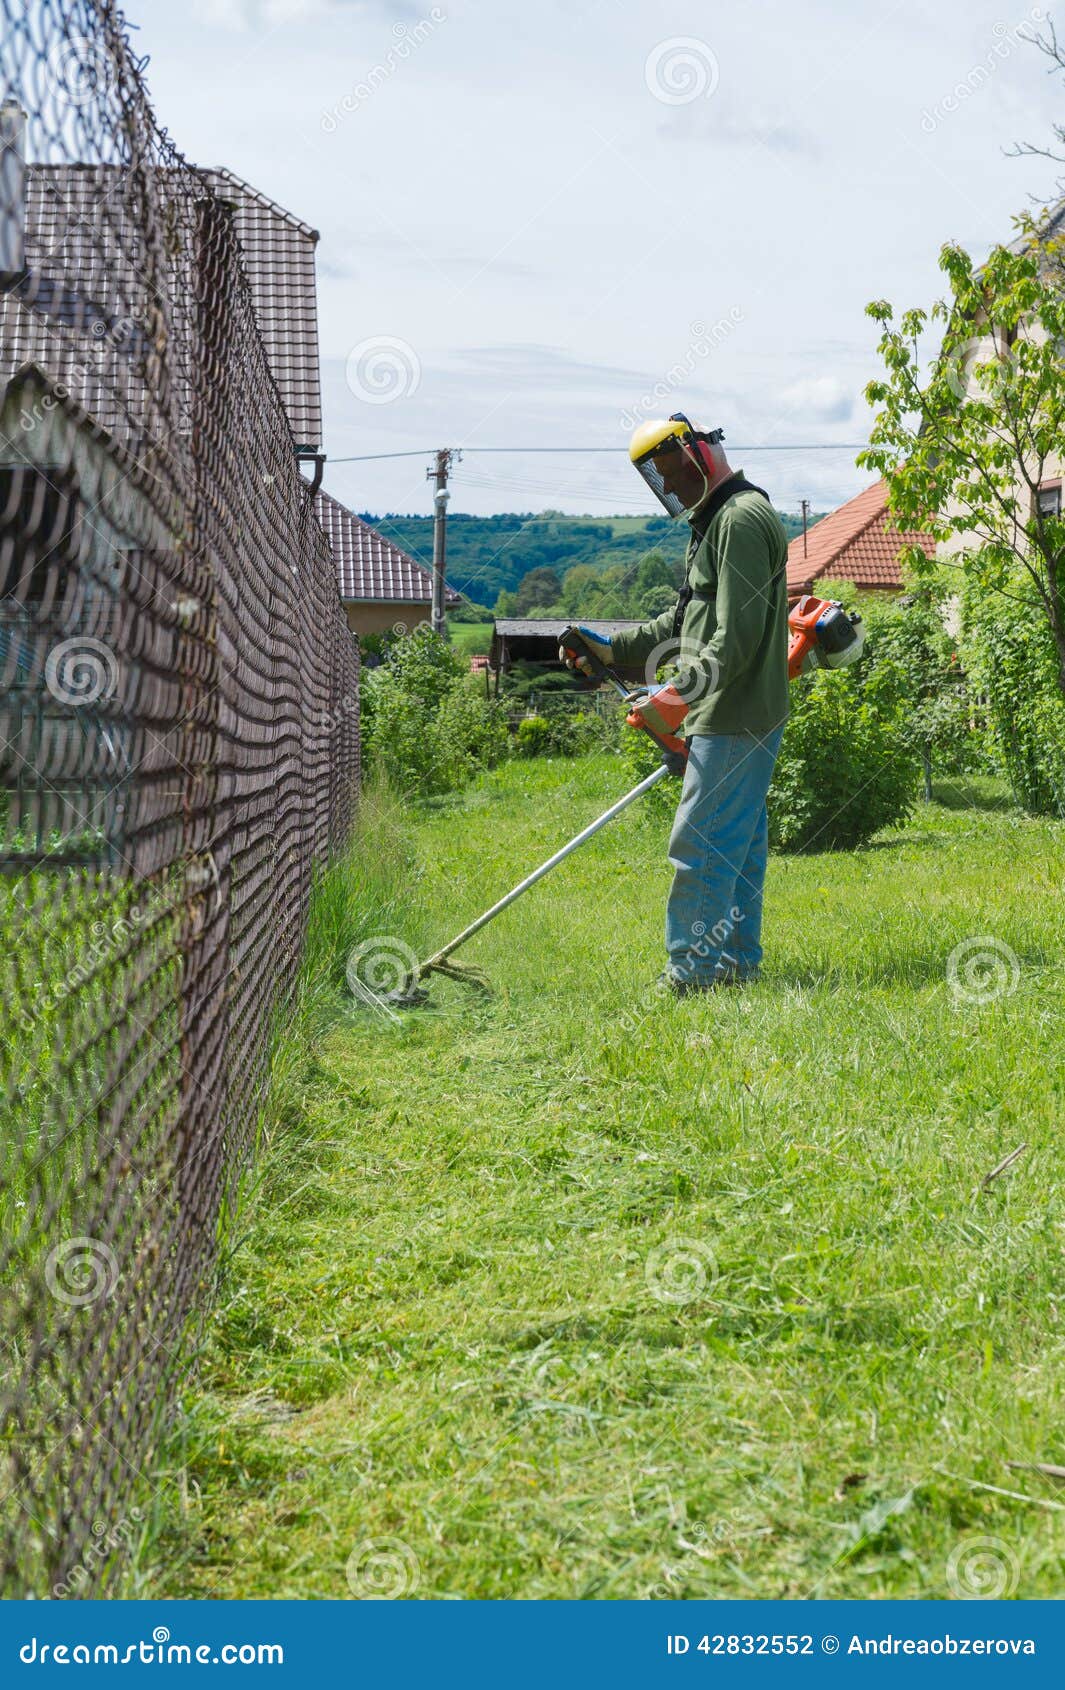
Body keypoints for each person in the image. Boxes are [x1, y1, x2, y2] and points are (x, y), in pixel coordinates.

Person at [561, 414, 789, 993]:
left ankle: (691, 974)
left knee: (703, 843)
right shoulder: (716, 521)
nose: (670, 490)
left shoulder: (740, 519)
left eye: (671, 474)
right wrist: (611, 650)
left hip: (734, 715)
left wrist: (678, 698)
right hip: (733, 712)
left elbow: (733, 638)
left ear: (694, 454)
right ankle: (735, 964)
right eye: (657, 480)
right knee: (735, 847)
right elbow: (687, 619)